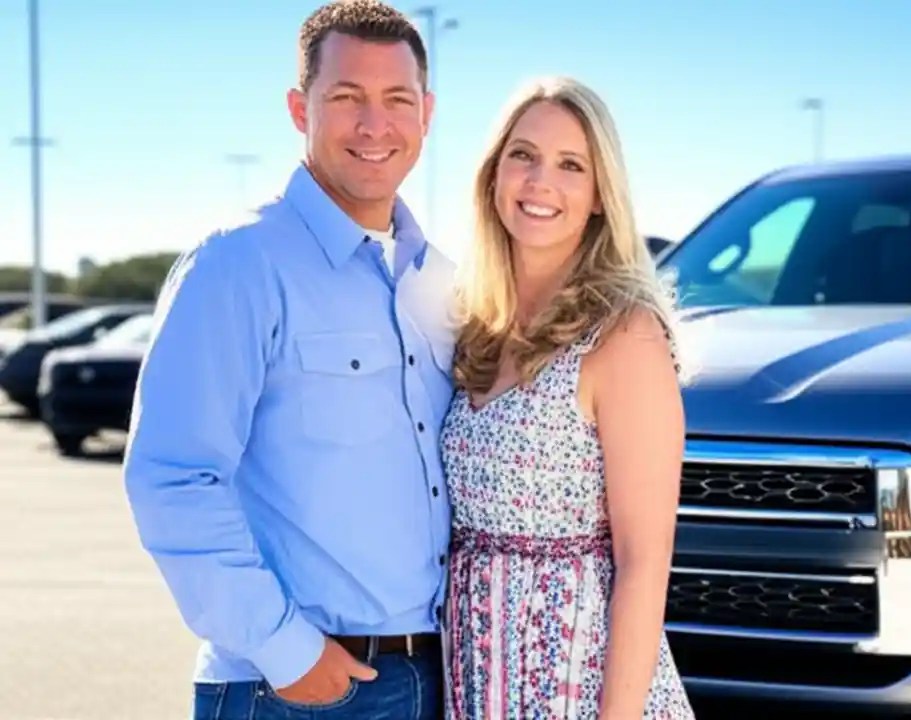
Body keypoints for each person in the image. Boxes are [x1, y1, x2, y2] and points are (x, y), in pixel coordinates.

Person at [122, 2, 455, 718]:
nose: (375, 125)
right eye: (346, 98)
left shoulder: (443, 281)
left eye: (397, 100)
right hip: (296, 691)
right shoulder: (237, 265)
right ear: (299, 107)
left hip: (434, 677)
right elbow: (173, 476)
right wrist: (289, 653)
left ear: (426, 113)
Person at [441, 76, 696, 719]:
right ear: (493, 174)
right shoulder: (476, 329)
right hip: (478, 684)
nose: (539, 182)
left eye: (570, 165)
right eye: (522, 155)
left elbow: (645, 564)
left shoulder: (625, 334)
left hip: (581, 695)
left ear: (600, 197)